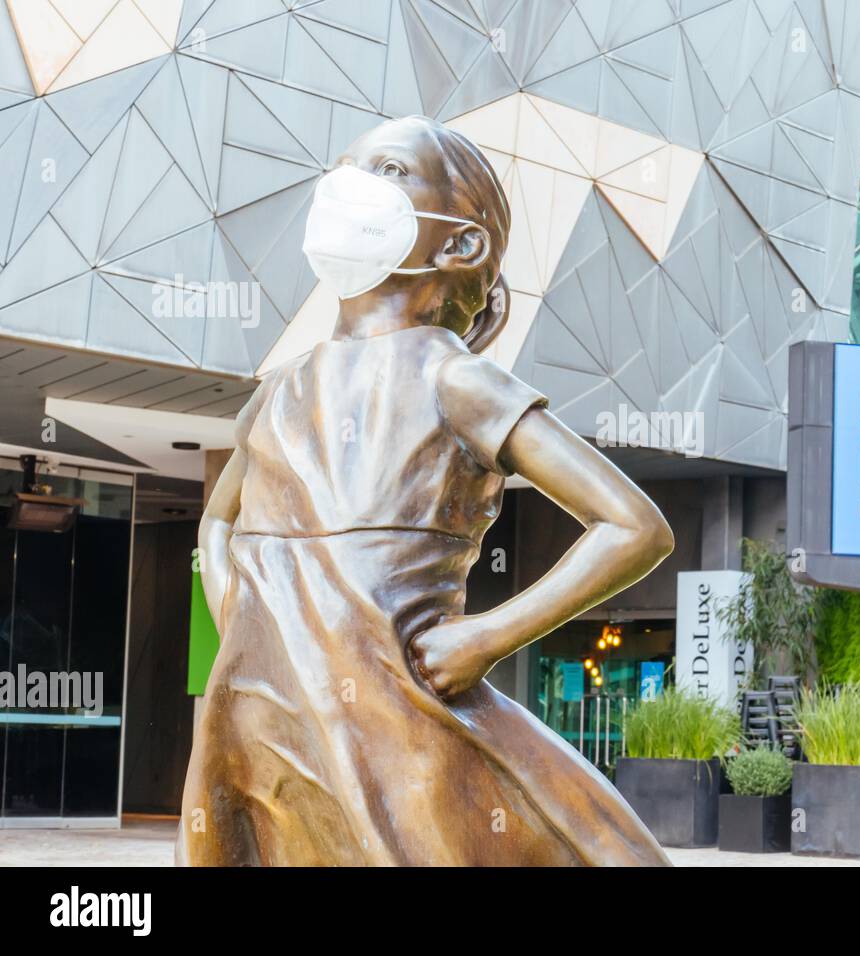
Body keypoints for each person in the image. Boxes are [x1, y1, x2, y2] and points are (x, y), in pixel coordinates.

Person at [177, 116, 674, 866]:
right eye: (347, 164)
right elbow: (217, 526)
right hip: (255, 723)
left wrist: (486, 637)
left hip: (398, 725)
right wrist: (244, 615)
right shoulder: (280, 390)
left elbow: (635, 525)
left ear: (460, 243)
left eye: (388, 170)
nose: (349, 183)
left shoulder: (455, 380)